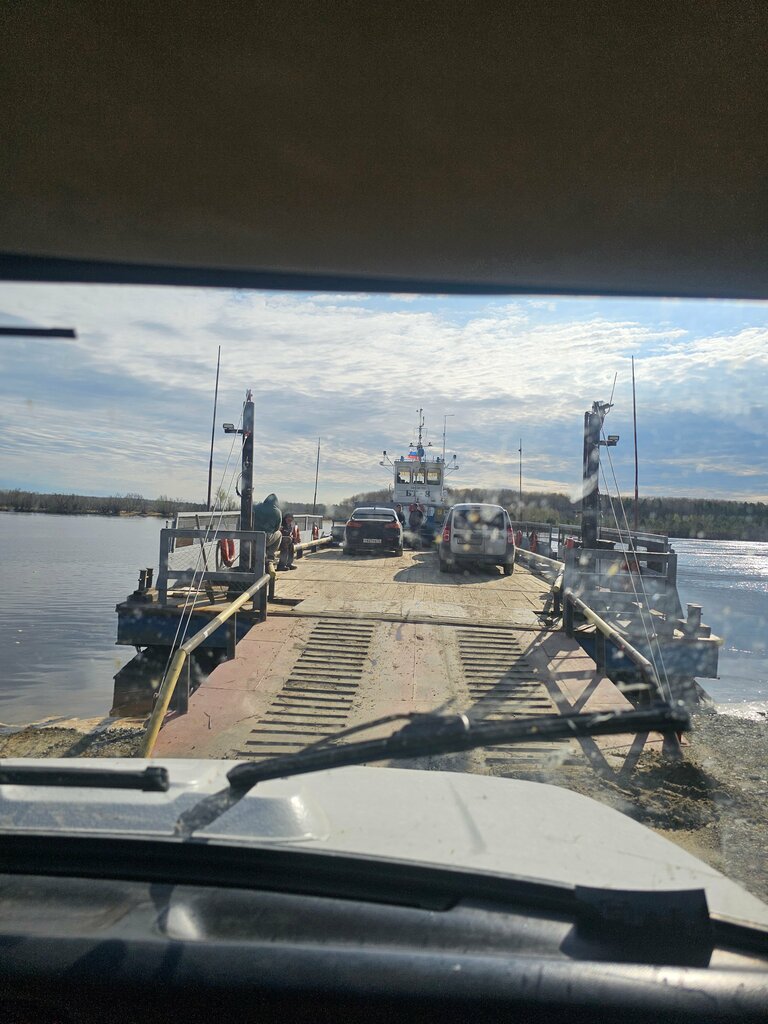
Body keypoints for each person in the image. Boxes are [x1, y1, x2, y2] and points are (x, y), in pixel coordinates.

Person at [252, 492, 282, 568]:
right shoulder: (277, 511)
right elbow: (276, 528)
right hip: (266, 538)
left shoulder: (256, 507)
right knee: (279, 534)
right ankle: (270, 555)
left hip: (253, 537)